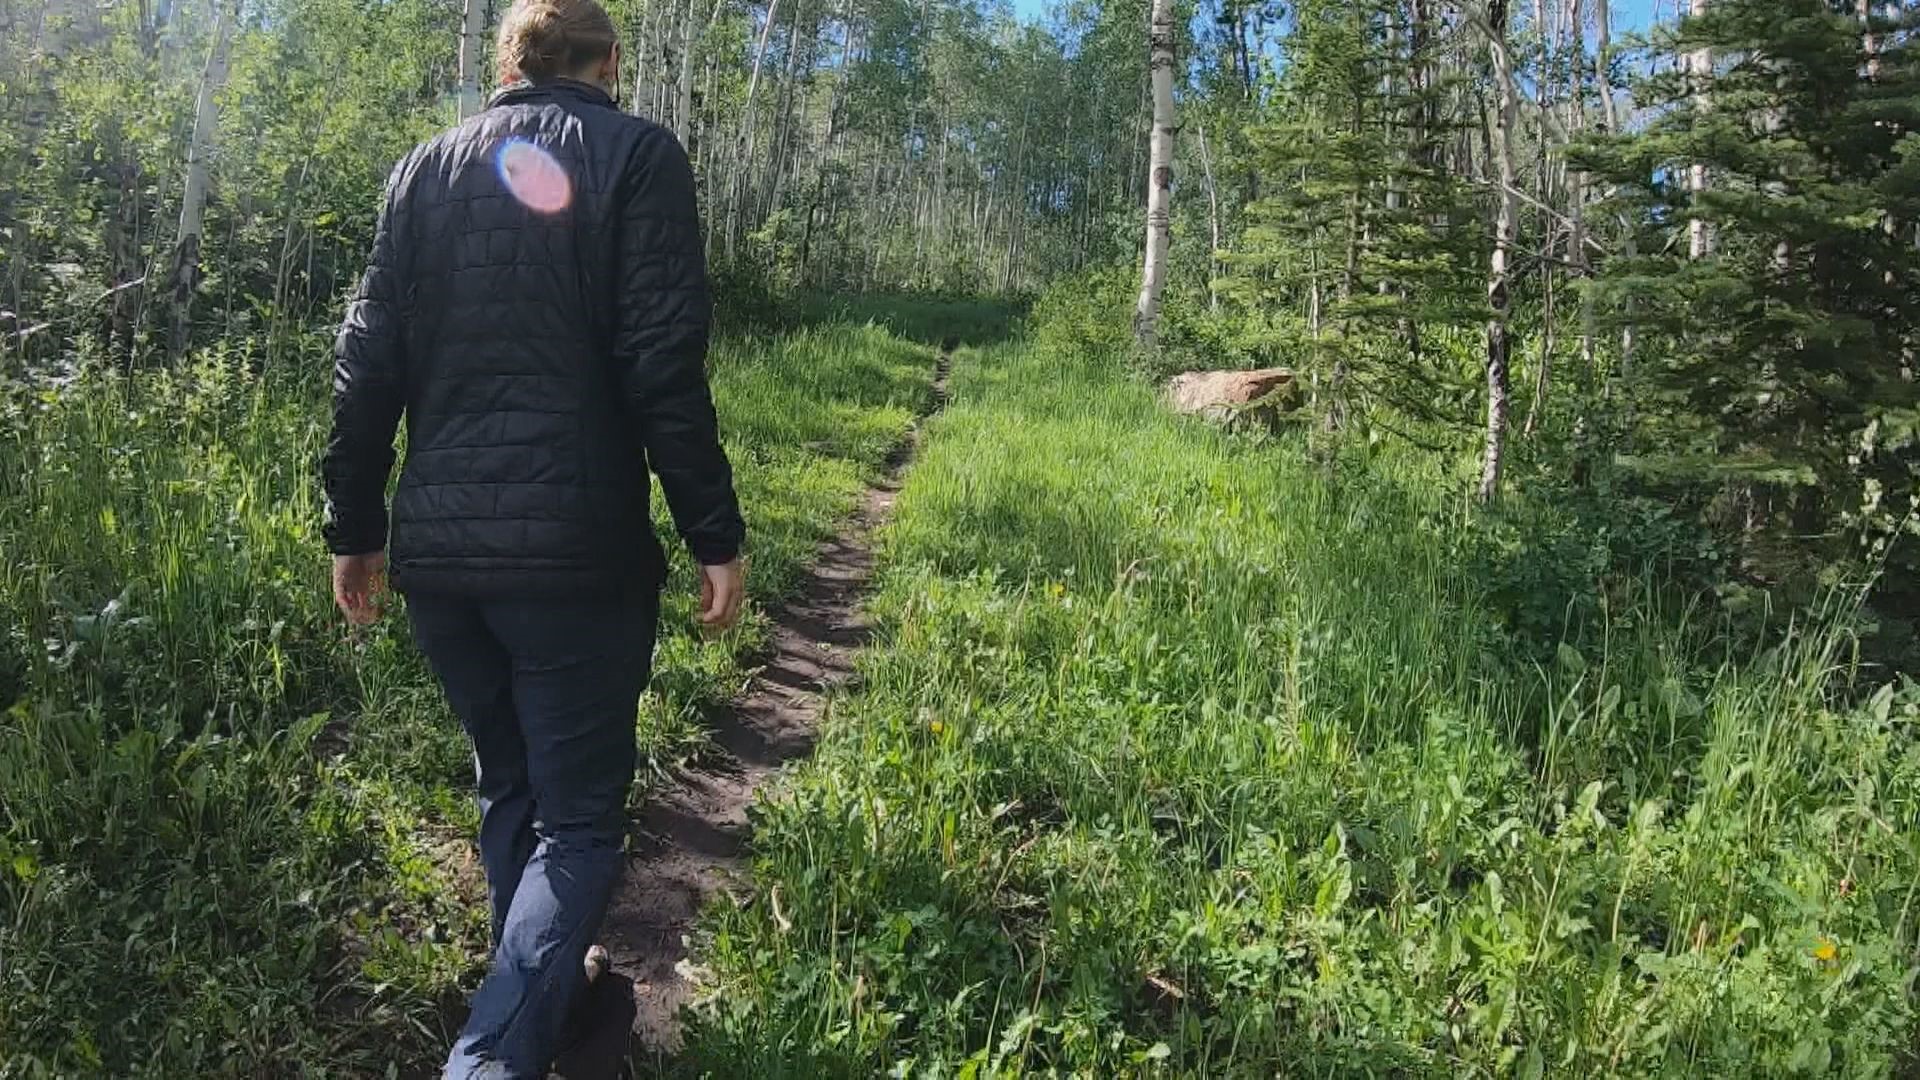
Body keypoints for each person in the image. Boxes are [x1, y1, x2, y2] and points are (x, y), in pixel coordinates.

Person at [320, 0, 746, 1073]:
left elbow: (367, 366)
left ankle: (554, 1003)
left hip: (442, 563)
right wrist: (714, 530)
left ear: (510, 64)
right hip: (575, 556)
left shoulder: (423, 169)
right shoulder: (639, 155)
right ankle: (492, 1058)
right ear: (608, 62)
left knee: (511, 788)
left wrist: (355, 527)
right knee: (583, 824)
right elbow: (662, 365)